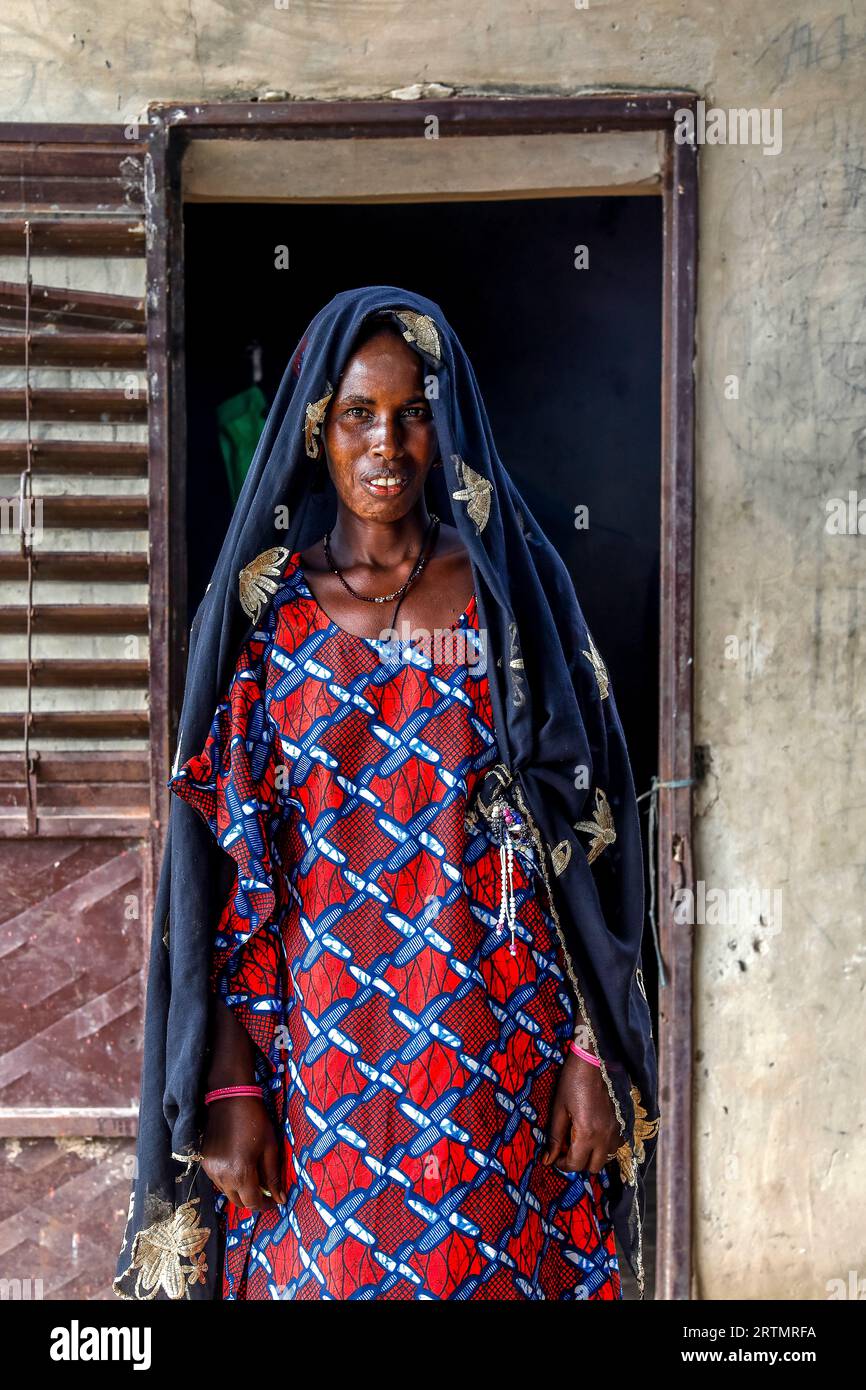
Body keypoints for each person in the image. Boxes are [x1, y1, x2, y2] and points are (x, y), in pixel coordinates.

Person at [114, 287, 659, 1302]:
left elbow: (598, 835)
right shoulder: (261, 619)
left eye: (413, 413)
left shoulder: (511, 598)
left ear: (445, 424)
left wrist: (591, 1050)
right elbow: (222, 874)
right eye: (358, 413)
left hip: (501, 1057)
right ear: (316, 429)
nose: (387, 444)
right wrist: (230, 1081)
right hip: (320, 1069)